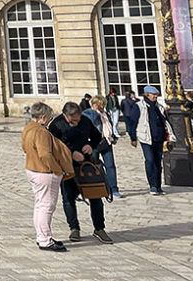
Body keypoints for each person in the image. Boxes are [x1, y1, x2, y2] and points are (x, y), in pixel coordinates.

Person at [48, 102, 113, 244]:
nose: (76, 123)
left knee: (96, 196)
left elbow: (97, 136)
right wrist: (71, 153)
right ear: (65, 115)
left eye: (78, 120)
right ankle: (74, 228)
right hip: (66, 167)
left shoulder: (85, 121)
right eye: (73, 121)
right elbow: (54, 147)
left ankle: (99, 228)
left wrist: (90, 145)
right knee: (68, 198)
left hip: (87, 165)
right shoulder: (56, 125)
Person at [21, 102, 73, 252]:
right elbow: (45, 154)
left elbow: (24, 148)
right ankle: (45, 239)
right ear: (43, 117)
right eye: (49, 117)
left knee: (40, 205)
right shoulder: (41, 132)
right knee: (46, 206)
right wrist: (57, 169)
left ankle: (42, 236)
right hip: (44, 172)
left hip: (33, 169)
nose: (51, 119)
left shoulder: (28, 128)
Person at [127, 85, 173, 195]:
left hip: (159, 137)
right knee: (150, 160)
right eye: (154, 95)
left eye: (156, 95)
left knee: (158, 162)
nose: (155, 96)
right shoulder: (139, 106)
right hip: (146, 137)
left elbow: (165, 121)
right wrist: (133, 138)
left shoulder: (159, 107)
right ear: (147, 95)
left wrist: (169, 134)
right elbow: (132, 123)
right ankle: (152, 185)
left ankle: (158, 186)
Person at [82, 96, 121, 199]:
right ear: (94, 104)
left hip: (106, 141)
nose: (102, 107)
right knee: (93, 166)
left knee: (110, 166)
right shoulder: (88, 113)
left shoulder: (105, 114)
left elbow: (109, 126)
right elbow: (90, 125)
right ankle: (92, 187)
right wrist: (95, 111)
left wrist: (112, 136)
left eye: (103, 104)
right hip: (94, 143)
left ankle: (113, 189)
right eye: (100, 104)